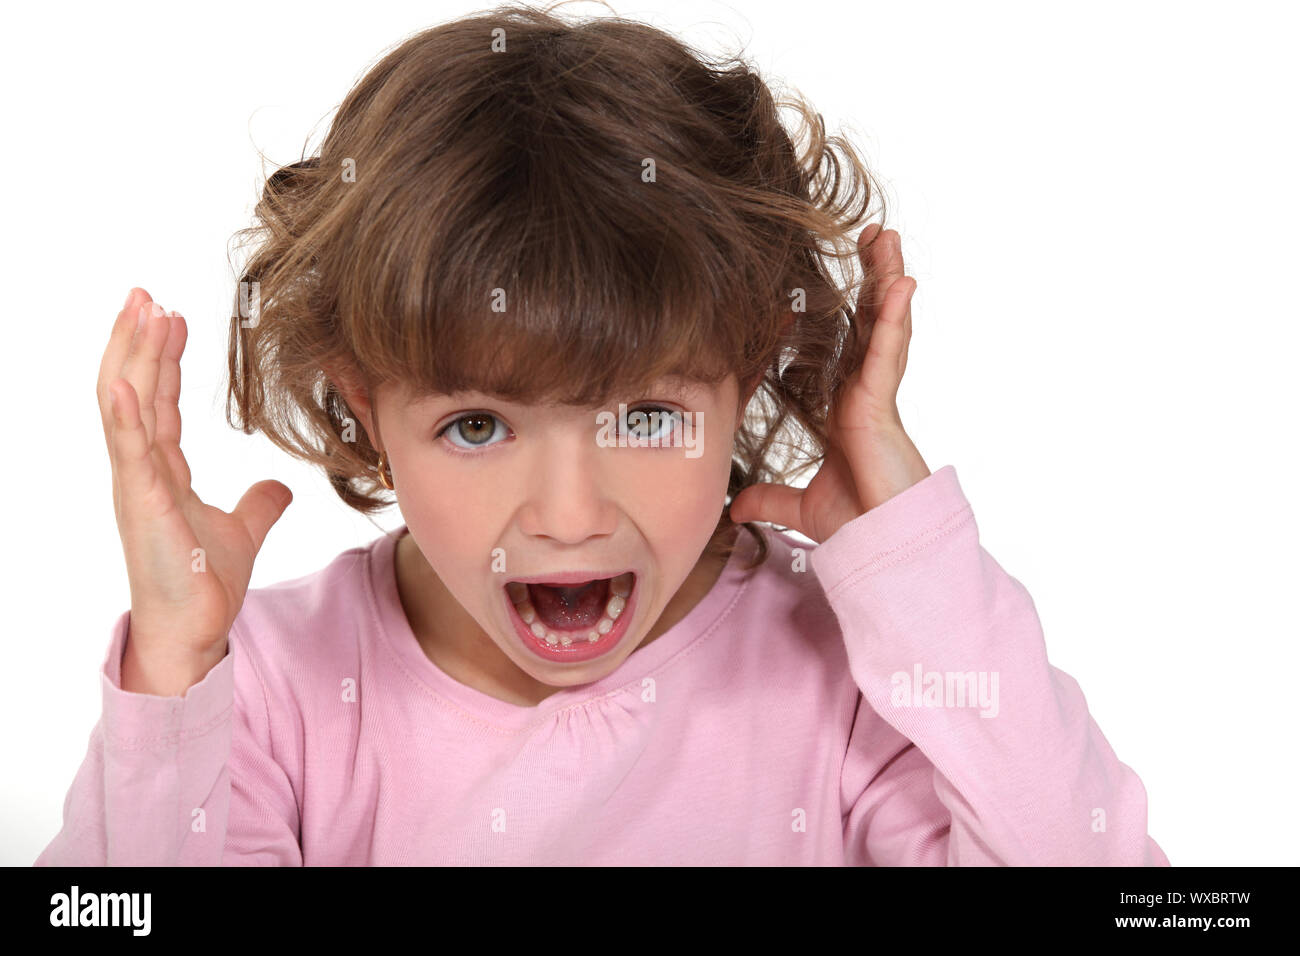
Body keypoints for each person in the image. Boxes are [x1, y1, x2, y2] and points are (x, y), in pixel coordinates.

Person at [36, 3, 1168, 865]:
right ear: (363, 409)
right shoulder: (275, 687)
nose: (569, 515)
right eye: (476, 423)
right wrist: (173, 677)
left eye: (645, 415)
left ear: (754, 372)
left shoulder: (845, 671)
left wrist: (920, 570)